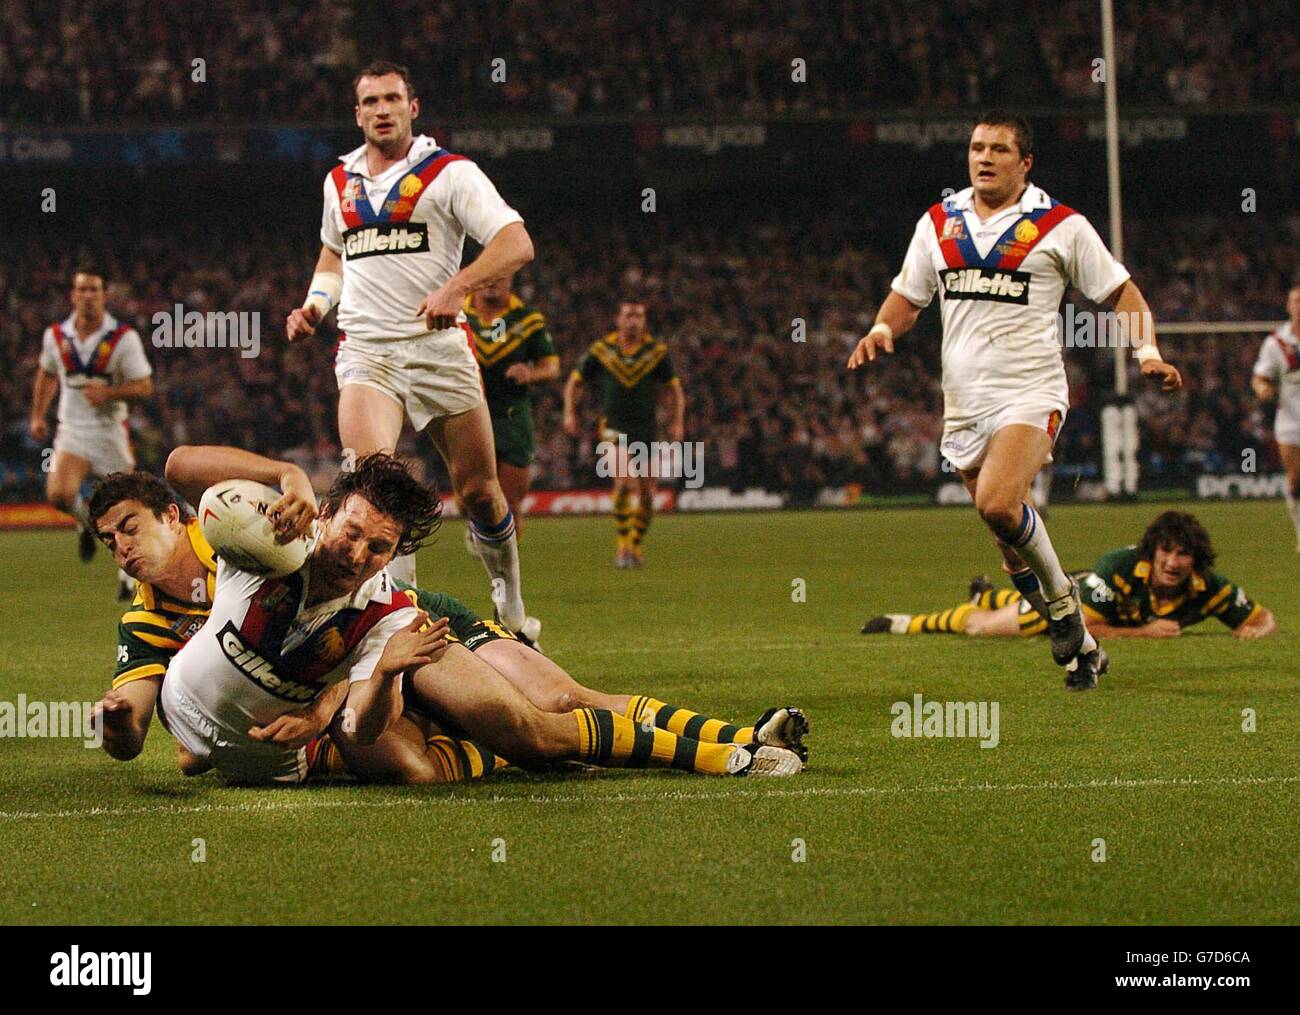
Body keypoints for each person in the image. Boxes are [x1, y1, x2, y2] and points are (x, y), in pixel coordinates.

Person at [92, 447, 806, 784]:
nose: (360, 554)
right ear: (326, 513)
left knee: (552, 705)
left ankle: (733, 748)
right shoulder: (263, 540)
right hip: (366, 667)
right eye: (351, 533)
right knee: (447, 759)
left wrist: (379, 676)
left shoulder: (382, 606)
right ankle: (490, 743)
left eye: (381, 547)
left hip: (423, 625)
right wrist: (288, 476)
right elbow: (182, 459)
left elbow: (349, 710)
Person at [847, 111, 1184, 689]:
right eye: (977, 147)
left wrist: (1147, 351)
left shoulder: (1060, 226)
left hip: (1031, 392)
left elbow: (1121, 291)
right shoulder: (938, 221)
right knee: (1010, 550)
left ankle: (1062, 608)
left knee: (1000, 505)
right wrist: (882, 329)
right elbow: (908, 296)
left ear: (1025, 163)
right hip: (963, 403)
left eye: (999, 149)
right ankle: (1084, 648)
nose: (984, 157)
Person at [284, 59, 536, 640]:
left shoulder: (449, 173)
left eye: (392, 99)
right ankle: (398, 626)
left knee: (480, 491)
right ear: (357, 113)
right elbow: (332, 256)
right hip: (367, 351)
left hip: (439, 350)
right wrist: (315, 307)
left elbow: (516, 241)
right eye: (370, 101)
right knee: (376, 488)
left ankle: (514, 612)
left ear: (412, 107)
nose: (381, 110)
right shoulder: (338, 182)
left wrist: (457, 286)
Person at [862, 511, 1276, 656]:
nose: (1172, 562)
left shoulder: (1210, 587)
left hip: (1080, 589)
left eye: (1183, 554)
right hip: (1070, 604)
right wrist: (1144, 632)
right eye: (1164, 551)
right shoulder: (1121, 568)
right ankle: (903, 622)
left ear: (1196, 560)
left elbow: (1262, 618)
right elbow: (1083, 629)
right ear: (1151, 552)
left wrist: (1255, 630)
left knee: (1003, 606)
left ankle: (988, 594)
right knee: (981, 627)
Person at [29, 265, 152, 599]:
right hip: (72, 432)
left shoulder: (123, 338)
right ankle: (87, 524)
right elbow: (46, 373)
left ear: (104, 295)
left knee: (128, 506)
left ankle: (129, 578)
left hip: (110, 432)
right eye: (81, 289)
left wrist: (109, 393)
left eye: (93, 289)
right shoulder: (55, 336)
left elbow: (144, 386)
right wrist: (38, 415)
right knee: (58, 494)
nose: (87, 296)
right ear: (73, 295)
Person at [563, 299, 684, 567]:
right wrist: (570, 412)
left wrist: (677, 421)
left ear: (644, 321)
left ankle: (636, 545)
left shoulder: (656, 353)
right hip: (613, 426)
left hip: (646, 428)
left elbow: (674, 389)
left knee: (648, 494)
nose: (633, 321)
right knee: (624, 479)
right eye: (628, 315)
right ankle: (623, 547)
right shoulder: (602, 350)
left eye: (638, 316)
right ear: (618, 319)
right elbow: (575, 382)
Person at [460, 275, 560, 543]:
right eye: (489, 275)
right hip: (467, 413)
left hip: (512, 418)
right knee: (467, 497)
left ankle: (506, 575)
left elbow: (551, 366)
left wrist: (531, 371)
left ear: (511, 280)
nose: (492, 281)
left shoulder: (527, 319)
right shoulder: (457, 311)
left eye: (500, 276)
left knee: (512, 502)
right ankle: (478, 528)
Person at [1251, 283, 1300, 551]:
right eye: (1296, 301)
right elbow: (1260, 377)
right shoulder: (1277, 342)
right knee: (1295, 478)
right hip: (1291, 420)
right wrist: (1263, 389)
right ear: (1288, 306)